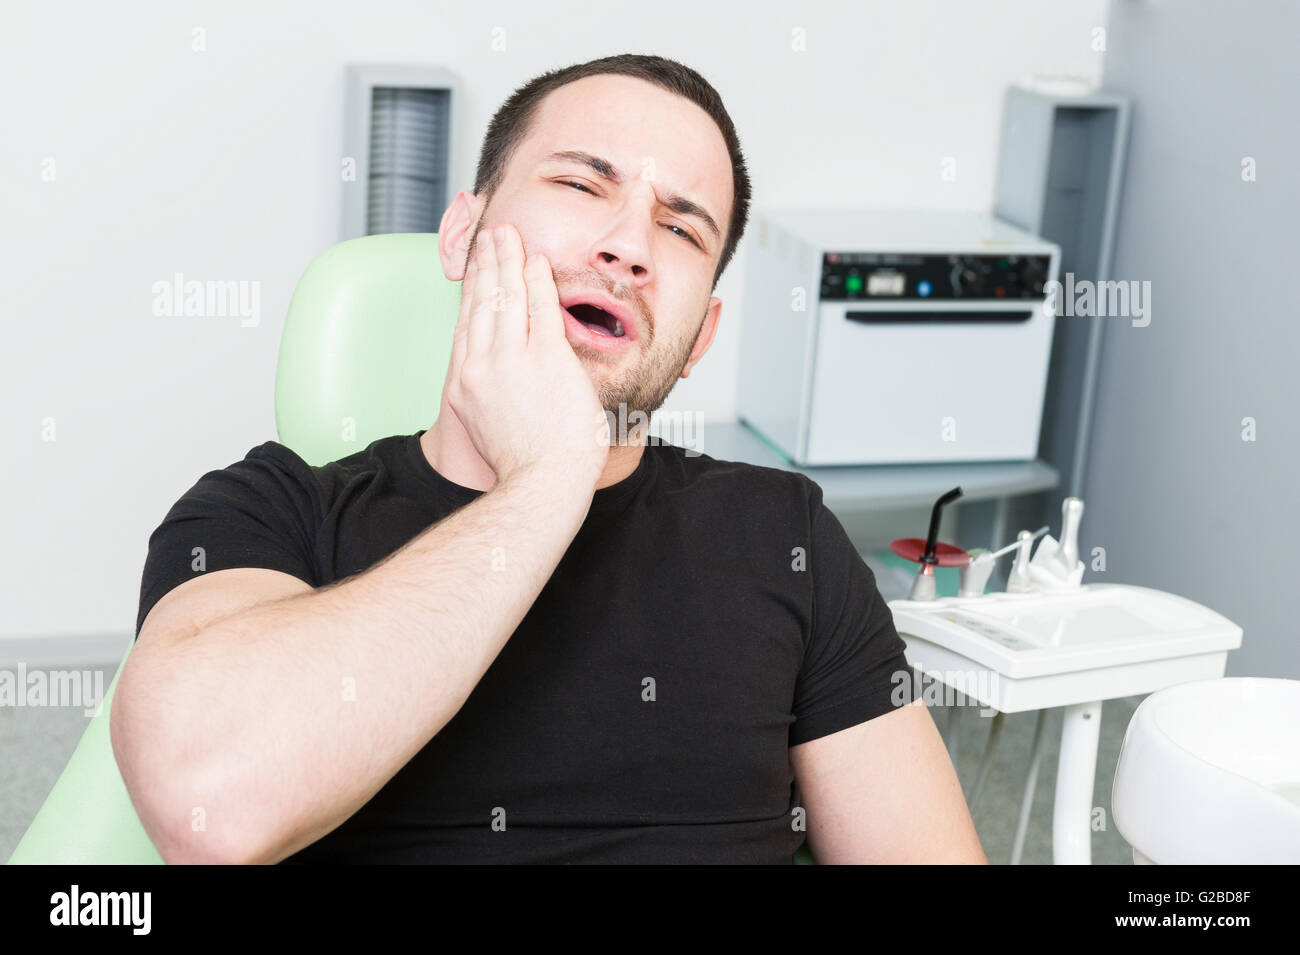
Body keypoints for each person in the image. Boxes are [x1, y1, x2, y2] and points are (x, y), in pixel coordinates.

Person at [113, 53, 987, 864]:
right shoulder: (269, 510)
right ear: (462, 234)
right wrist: (547, 475)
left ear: (699, 339)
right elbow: (211, 803)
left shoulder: (786, 538)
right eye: (579, 182)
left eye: (681, 231)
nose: (629, 249)